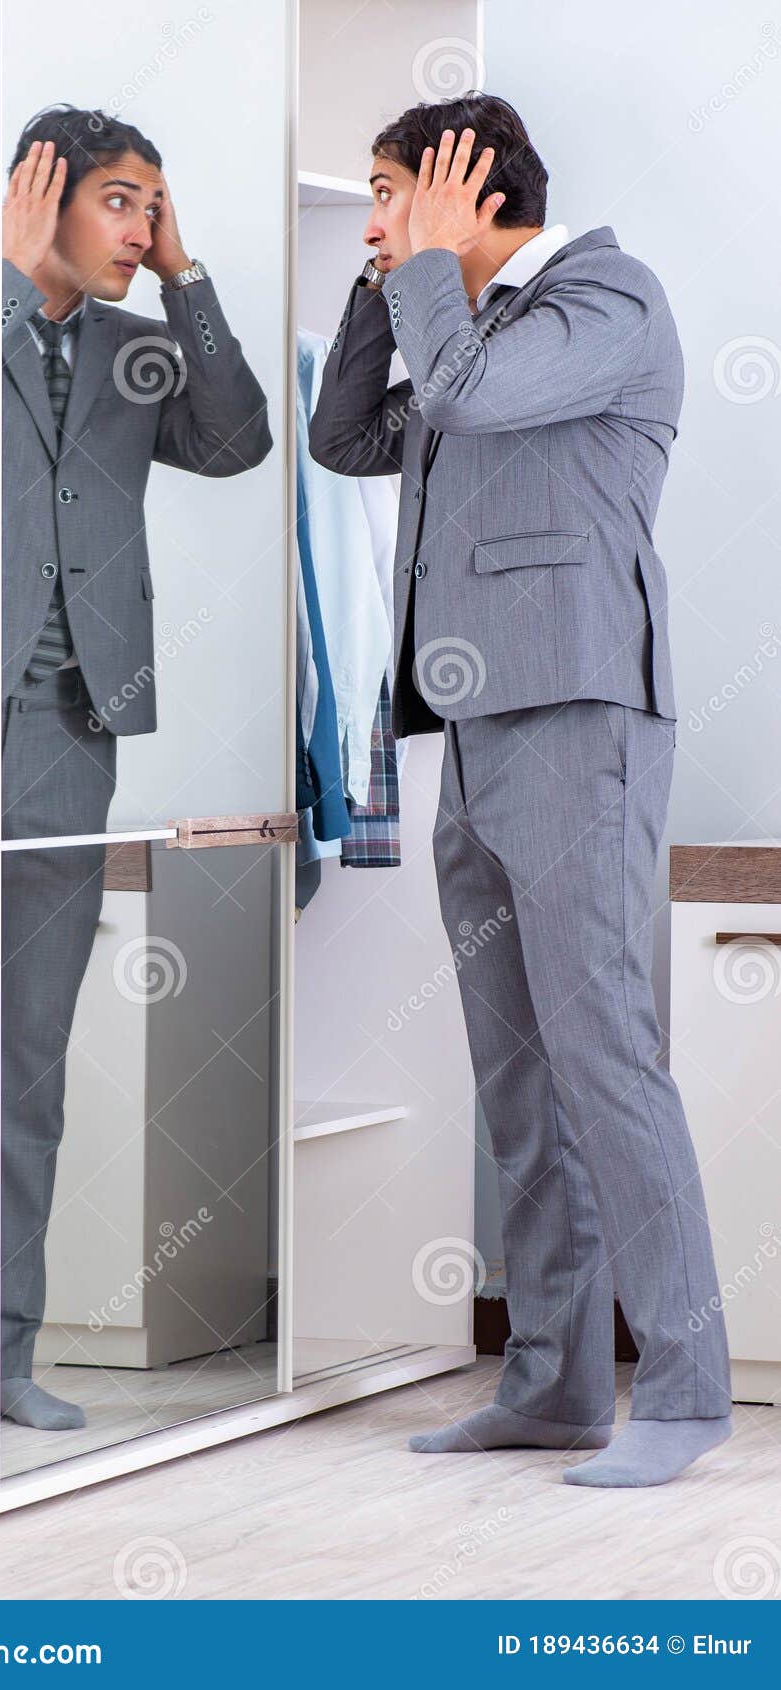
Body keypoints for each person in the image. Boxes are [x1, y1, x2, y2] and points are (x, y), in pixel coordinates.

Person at [309, 91, 732, 1488]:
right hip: (475, 728)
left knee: (604, 1049)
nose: (375, 219)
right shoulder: (452, 325)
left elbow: (476, 400)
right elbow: (347, 439)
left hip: (582, 715)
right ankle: (552, 1385)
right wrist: (394, 276)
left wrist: (423, 266)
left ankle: (683, 1386)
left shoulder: (608, 298)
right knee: (519, 1072)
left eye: (391, 191)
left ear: (467, 186)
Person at [0, 107, 271, 1431]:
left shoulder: (133, 349)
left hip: (66, 728)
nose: (142, 227)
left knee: (27, 1052)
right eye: (120, 201)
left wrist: (189, 276)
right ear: (39, 195)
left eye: (155, 205)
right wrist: (2, 278)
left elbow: (237, 440)